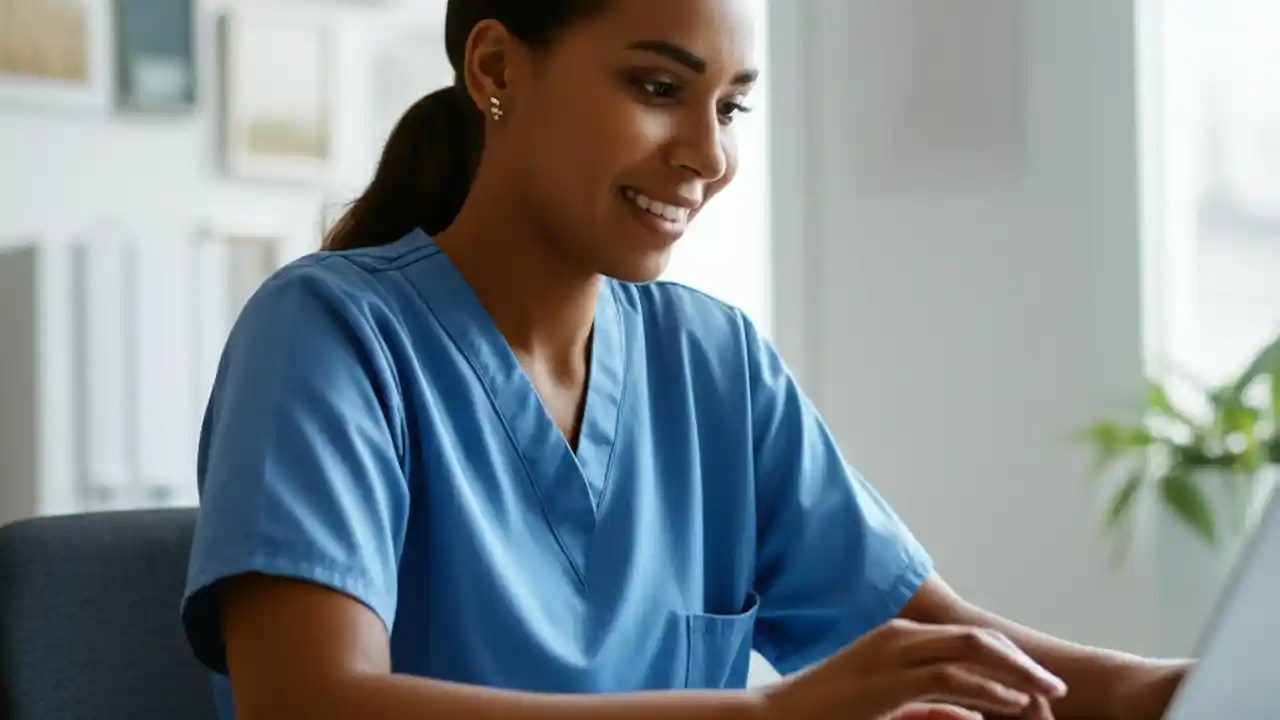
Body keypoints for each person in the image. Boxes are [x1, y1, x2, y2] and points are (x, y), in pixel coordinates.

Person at [180, 1, 1191, 718]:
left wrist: (1176, 689)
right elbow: (312, 704)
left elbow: (945, 649)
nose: (706, 155)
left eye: (730, 106)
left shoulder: (713, 363)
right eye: (658, 86)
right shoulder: (326, 334)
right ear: (494, 70)